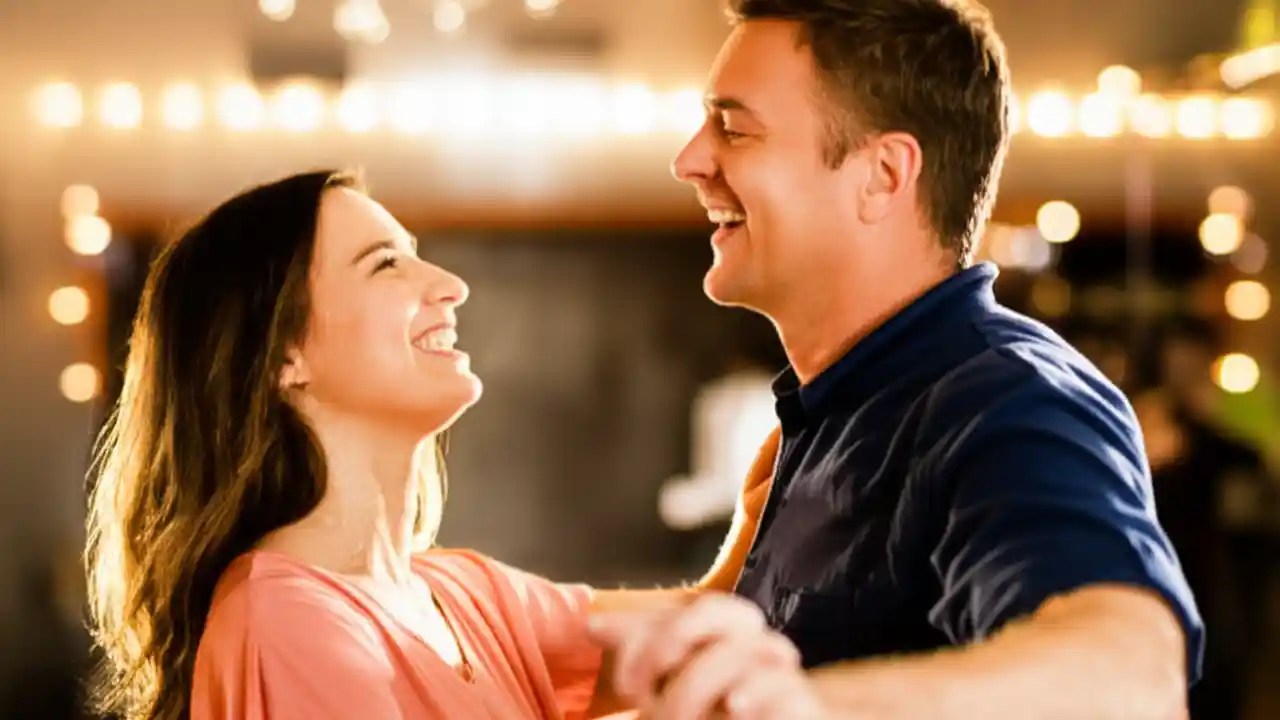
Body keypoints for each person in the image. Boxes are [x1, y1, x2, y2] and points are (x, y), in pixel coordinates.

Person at [589, 1, 1204, 718]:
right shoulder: (832, 414)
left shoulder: (1006, 396)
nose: (689, 159)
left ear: (883, 174)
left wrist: (797, 711)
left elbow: (1126, 678)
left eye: (734, 128)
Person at [84, 170, 666, 720]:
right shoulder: (285, 621)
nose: (451, 286)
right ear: (286, 354)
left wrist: (757, 502)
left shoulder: (464, 595)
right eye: (385, 263)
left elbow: (718, 626)